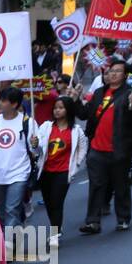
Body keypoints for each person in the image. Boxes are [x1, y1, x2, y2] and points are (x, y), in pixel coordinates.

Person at [79, 58, 132, 234]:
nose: (113, 74)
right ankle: (92, 221)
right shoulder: (99, 93)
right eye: (111, 71)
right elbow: (84, 115)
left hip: (118, 150)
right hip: (97, 149)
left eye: (117, 71)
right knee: (96, 186)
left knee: (120, 186)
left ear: (125, 75)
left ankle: (123, 219)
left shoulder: (130, 94)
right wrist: (74, 99)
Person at [0, 86, 38, 257]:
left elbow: (37, 151)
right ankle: (11, 239)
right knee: (0, 212)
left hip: (19, 173)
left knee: (11, 209)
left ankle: (7, 249)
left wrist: (35, 145)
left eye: (3, 100)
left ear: (15, 104)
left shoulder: (28, 122)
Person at [33, 95, 86, 244]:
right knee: (49, 203)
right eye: (55, 108)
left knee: (57, 202)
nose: (57, 111)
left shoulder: (76, 131)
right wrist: (35, 145)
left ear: (68, 110)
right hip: (46, 171)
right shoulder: (46, 127)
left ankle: (55, 234)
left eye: (61, 108)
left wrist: (76, 165)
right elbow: (38, 151)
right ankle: (56, 226)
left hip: (63, 172)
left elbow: (82, 148)